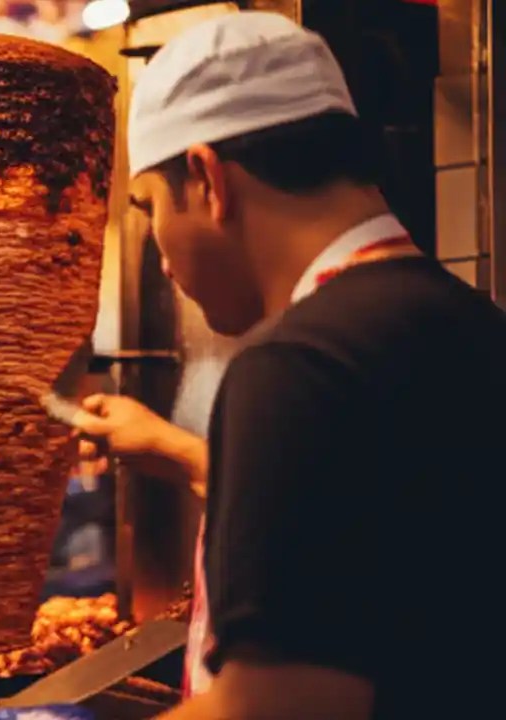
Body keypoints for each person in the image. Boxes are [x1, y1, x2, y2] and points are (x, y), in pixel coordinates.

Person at [80, 11, 506, 720]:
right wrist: (179, 452)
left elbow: (277, 706)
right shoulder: (472, 326)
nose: (159, 251)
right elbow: (369, 538)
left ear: (207, 177)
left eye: (148, 207)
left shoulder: (293, 368)